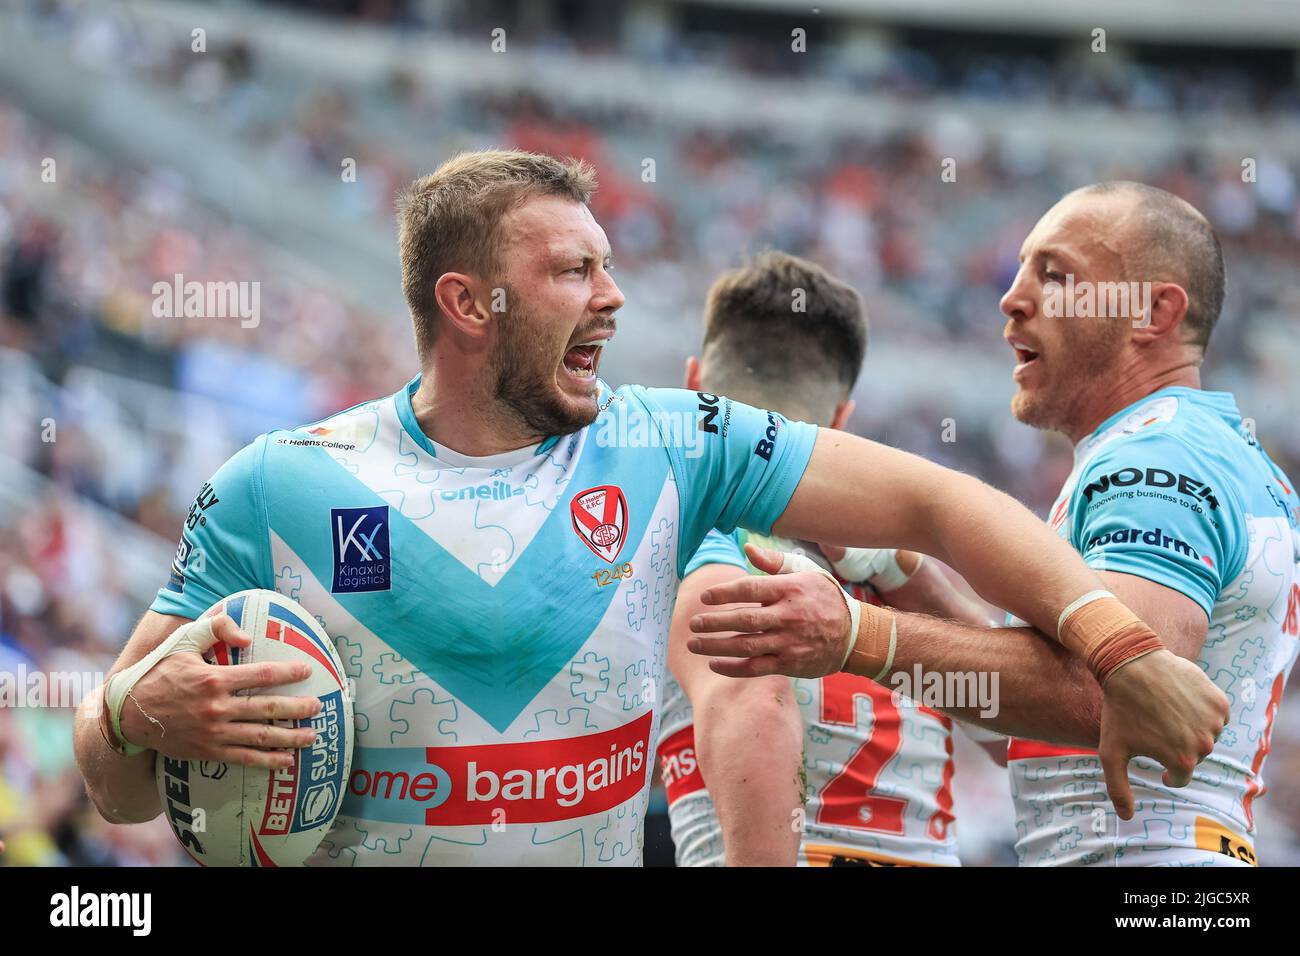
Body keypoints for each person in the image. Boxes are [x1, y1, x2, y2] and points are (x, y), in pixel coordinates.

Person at [74, 153, 1227, 866]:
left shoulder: (667, 442)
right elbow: (115, 779)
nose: (614, 297)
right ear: (466, 301)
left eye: (610, 265)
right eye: (574, 271)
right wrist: (134, 707)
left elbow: (939, 500)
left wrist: (1114, 645)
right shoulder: (279, 482)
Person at [688, 182, 1297, 866]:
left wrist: (855, 634)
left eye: (1055, 274)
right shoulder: (1199, 449)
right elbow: (1035, 734)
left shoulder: (1158, 454)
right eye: (1018, 270)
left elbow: (1110, 689)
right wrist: (908, 577)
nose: (1011, 298)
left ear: (1153, 311)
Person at [660, 251, 993, 867]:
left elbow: (755, 702)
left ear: (690, 387)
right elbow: (1016, 735)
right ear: (842, 420)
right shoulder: (892, 562)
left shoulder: (697, 543)